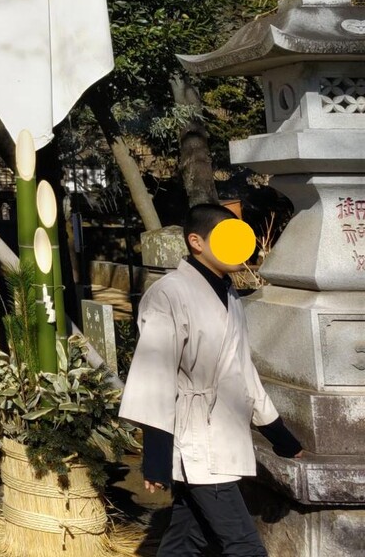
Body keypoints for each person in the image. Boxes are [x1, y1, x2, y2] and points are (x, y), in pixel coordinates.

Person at [119, 203, 302, 556]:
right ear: (196, 242)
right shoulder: (168, 294)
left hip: (221, 432)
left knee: (187, 538)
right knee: (245, 546)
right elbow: (154, 376)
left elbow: (242, 372)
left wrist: (280, 436)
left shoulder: (229, 293)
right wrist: (156, 455)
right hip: (196, 439)